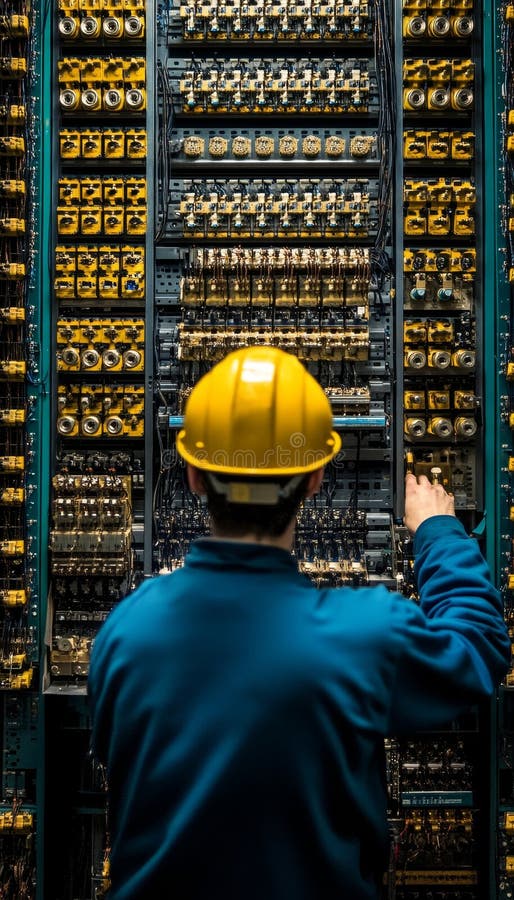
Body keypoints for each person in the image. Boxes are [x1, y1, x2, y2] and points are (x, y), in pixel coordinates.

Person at [88, 345, 511, 900]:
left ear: (191, 475)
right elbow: (479, 646)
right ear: (314, 479)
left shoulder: (125, 633)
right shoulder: (363, 634)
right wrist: (437, 529)